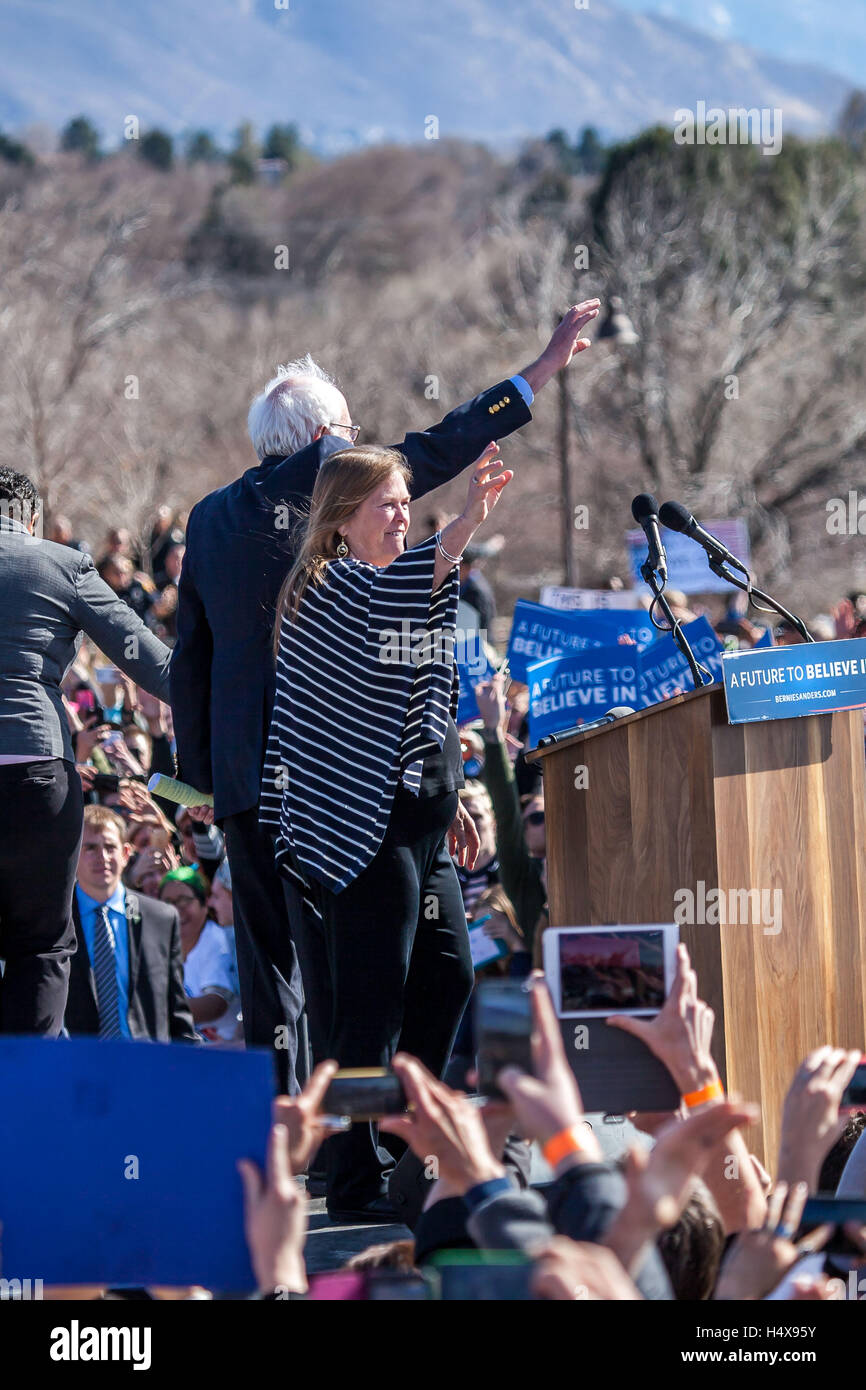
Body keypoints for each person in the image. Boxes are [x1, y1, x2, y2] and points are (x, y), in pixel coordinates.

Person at [170, 302, 600, 1093]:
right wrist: (538, 373)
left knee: (270, 965)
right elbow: (444, 443)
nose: (362, 438)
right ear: (323, 440)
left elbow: (188, 653)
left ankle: (280, 1126)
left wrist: (196, 774)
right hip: (340, 778)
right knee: (353, 967)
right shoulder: (343, 491)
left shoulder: (206, 517)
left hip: (243, 775)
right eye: (349, 428)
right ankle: (354, 1134)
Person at [259, 440, 513, 1221]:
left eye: (408, 501)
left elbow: (423, 702)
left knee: (447, 978)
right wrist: (464, 522)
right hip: (355, 824)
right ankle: (352, 1176)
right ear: (342, 517)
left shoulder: (401, 584)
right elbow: (400, 595)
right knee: (368, 1004)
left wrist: (462, 792)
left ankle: (406, 1145)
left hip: (420, 817)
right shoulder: (324, 588)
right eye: (387, 503)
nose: (402, 514)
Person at [0, 469, 172, 1035]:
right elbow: (149, 662)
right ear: (30, 519)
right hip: (38, 774)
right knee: (42, 949)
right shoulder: (59, 563)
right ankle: (25, 1104)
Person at [65, 805, 196, 1042]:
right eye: (90, 848)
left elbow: (176, 1009)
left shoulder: (161, 918)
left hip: (146, 1066)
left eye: (110, 847)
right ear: (73, 853)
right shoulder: (56, 921)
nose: (102, 857)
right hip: (76, 1067)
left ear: (126, 853)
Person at [158, 866, 240, 1043]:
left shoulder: (216, 940)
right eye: (168, 902)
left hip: (226, 1053)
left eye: (184, 900)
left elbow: (217, 1004)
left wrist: (158, 1010)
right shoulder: (163, 944)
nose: (176, 910)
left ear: (204, 904)